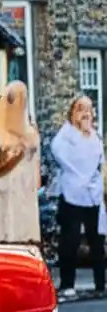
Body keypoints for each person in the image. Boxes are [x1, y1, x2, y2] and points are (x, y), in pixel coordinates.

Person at [49, 96, 105, 299]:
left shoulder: (94, 136)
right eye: (81, 109)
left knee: (96, 239)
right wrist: (80, 177)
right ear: (73, 112)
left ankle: (101, 283)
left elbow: (98, 160)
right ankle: (67, 284)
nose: (85, 113)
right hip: (72, 194)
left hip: (92, 195)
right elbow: (60, 156)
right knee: (69, 240)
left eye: (89, 109)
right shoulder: (65, 136)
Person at [0, 81, 41, 248]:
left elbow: (34, 160)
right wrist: (3, 154)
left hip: (22, 196)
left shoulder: (29, 127)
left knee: (21, 243)